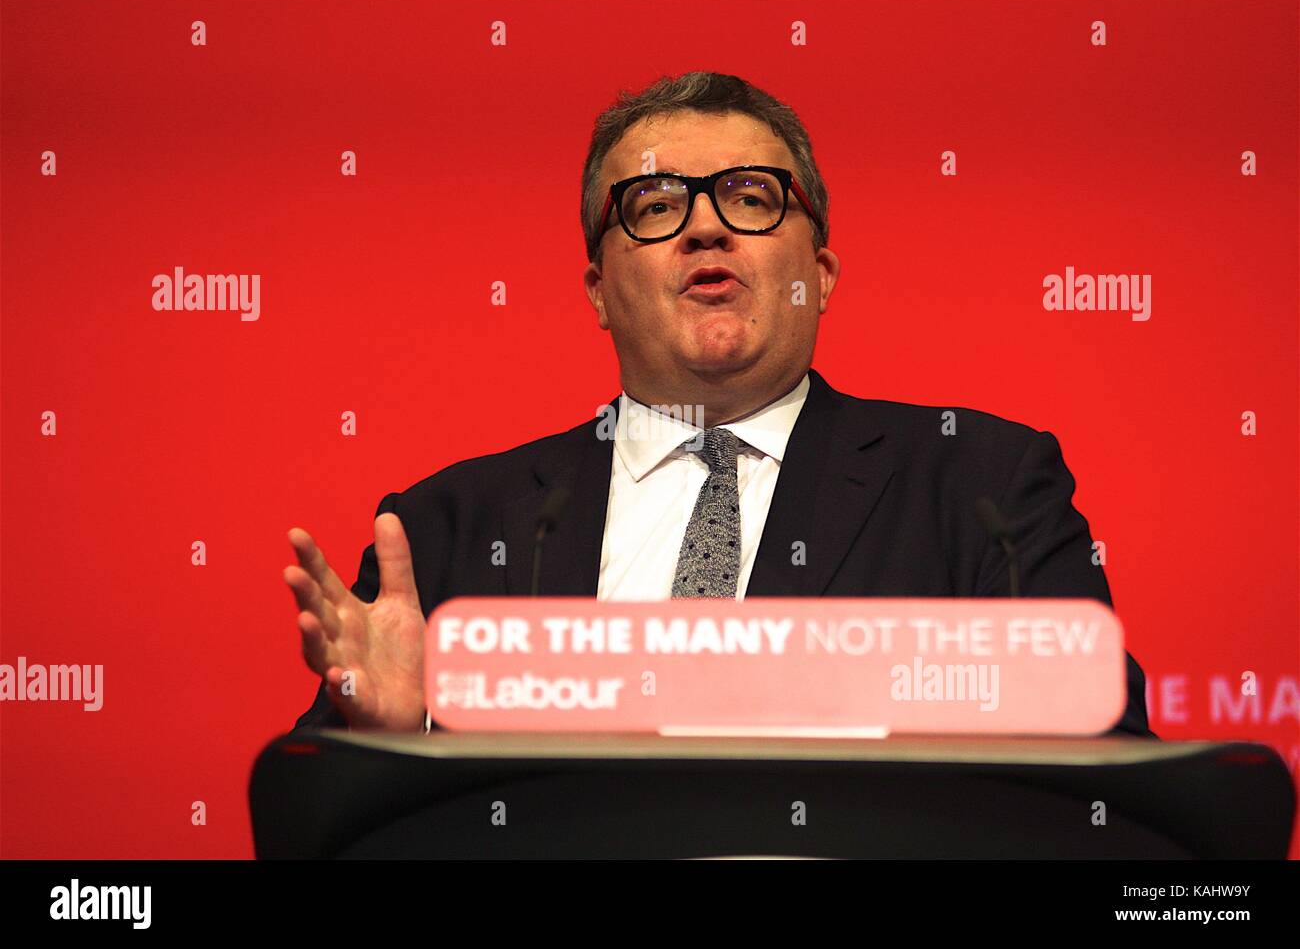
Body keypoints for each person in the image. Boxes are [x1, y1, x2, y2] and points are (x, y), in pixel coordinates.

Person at [283, 71, 1155, 738]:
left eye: (750, 196)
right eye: (655, 204)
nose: (706, 228)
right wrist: (398, 743)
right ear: (596, 287)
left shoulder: (980, 487)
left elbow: (1104, 783)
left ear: (820, 273)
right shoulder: (444, 531)